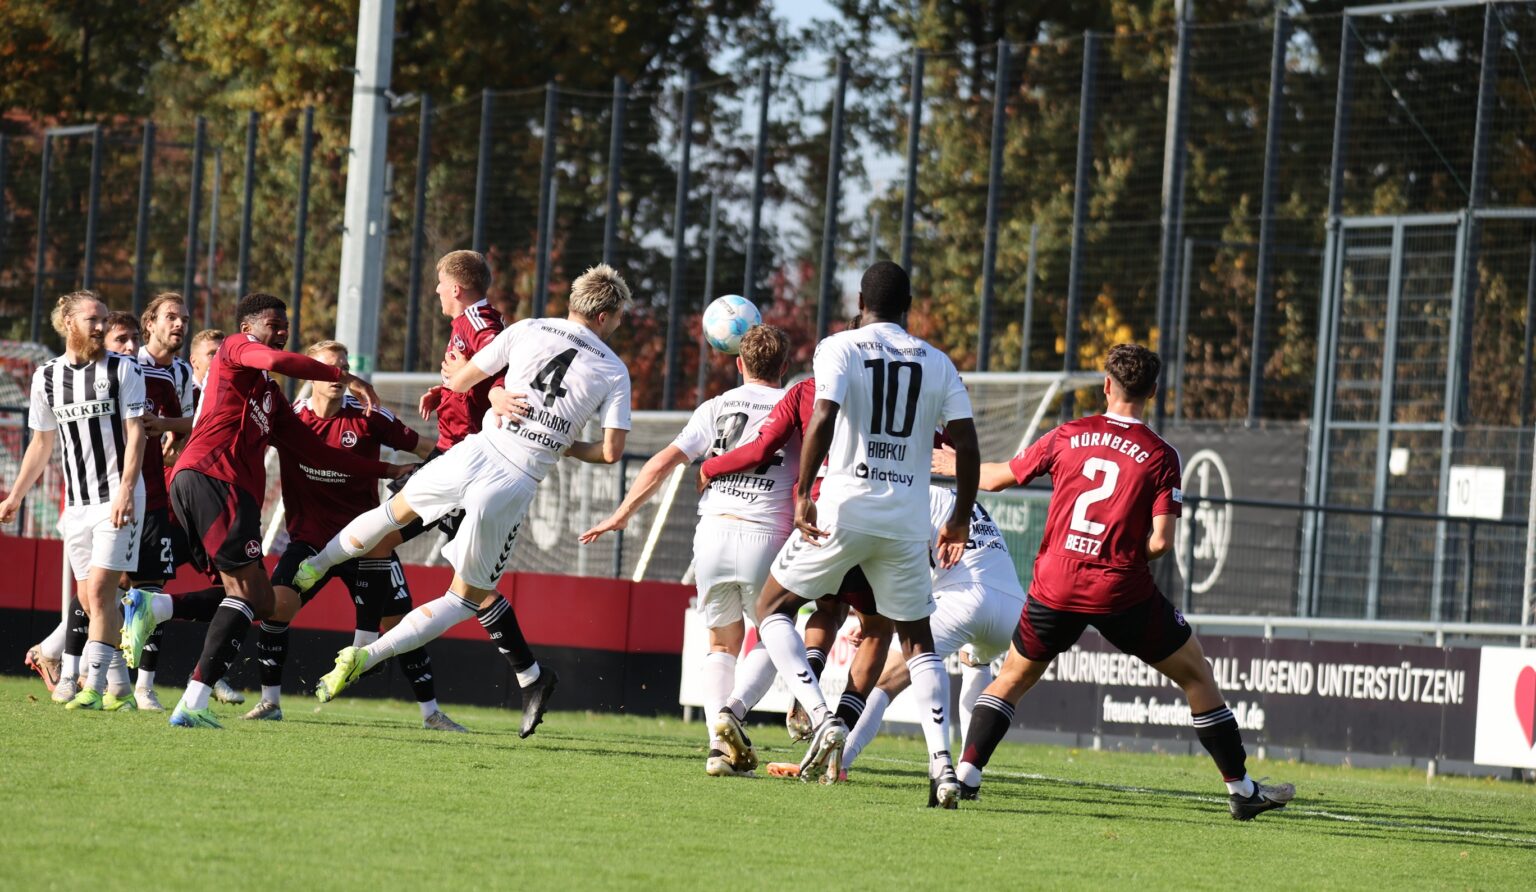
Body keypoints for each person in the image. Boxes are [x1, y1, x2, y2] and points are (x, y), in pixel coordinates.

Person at [946, 343, 1295, 821]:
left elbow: (1001, 477)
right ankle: (1241, 789)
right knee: (1197, 674)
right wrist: (1121, 549)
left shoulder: (1068, 434)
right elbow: (1161, 542)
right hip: (1119, 591)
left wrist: (951, 465)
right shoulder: (1160, 456)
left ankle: (966, 776)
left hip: (1056, 585)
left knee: (1011, 678)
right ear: (1153, 391)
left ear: (1106, 386)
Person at [295, 264, 634, 740]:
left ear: (576, 301)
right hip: (514, 479)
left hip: (471, 452)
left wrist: (494, 392)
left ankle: (315, 566)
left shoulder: (528, 327)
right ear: (608, 315)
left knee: (389, 516)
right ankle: (365, 656)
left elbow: (460, 380)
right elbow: (611, 452)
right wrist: (563, 444)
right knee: (464, 596)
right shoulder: (614, 370)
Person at [715, 261, 981, 807]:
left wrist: (805, 489)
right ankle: (943, 769)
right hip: (906, 521)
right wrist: (957, 516)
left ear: (861, 300)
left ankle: (819, 715)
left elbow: (824, 418)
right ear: (908, 304)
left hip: (844, 508)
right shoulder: (938, 361)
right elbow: (967, 446)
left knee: (771, 609)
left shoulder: (840, 347)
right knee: (917, 641)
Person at [119, 292, 414, 729]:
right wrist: (344, 376)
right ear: (247, 329)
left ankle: (157, 611)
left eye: (285, 325)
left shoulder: (270, 400)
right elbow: (286, 363)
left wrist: (389, 467)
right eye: (273, 325)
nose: (281, 332)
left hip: (209, 486)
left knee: (261, 600)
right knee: (248, 596)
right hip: (215, 480)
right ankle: (190, 699)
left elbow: (320, 454)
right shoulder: (236, 352)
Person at [580, 324, 798, 776]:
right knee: (776, 633)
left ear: (739, 364)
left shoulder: (715, 407)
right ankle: (732, 714)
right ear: (786, 368)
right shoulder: (795, 406)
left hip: (713, 533)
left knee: (720, 642)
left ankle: (719, 751)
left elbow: (662, 462)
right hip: (766, 534)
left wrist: (623, 514)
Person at [246, 340, 460, 731]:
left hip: (368, 543)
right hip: (309, 540)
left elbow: (426, 446)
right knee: (277, 609)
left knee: (402, 626)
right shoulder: (289, 418)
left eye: (344, 367)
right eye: (330, 367)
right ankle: (270, 702)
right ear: (309, 373)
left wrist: (460, 464)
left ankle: (431, 714)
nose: (339, 376)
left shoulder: (368, 416)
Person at [0, 292, 147, 711]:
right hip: (78, 504)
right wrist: (15, 495)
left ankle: (91, 686)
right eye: (92, 319)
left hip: (118, 497)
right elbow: (42, 443)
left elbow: (135, 432)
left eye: (104, 319)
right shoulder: (45, 377)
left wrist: (125, 489)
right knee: (87, 598)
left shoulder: (122, 368)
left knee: (101, 589)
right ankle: (119, 684)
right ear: (67, 322)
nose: (100, 327)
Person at [827, 485, 1026, 776]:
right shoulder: (958, 499)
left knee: (884, 680)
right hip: (1012, 608)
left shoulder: (914, 497)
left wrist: (881, 620)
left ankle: (838, 762)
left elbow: (910, 568)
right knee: (976, 661)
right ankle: (968, 772)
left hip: (963, 599)